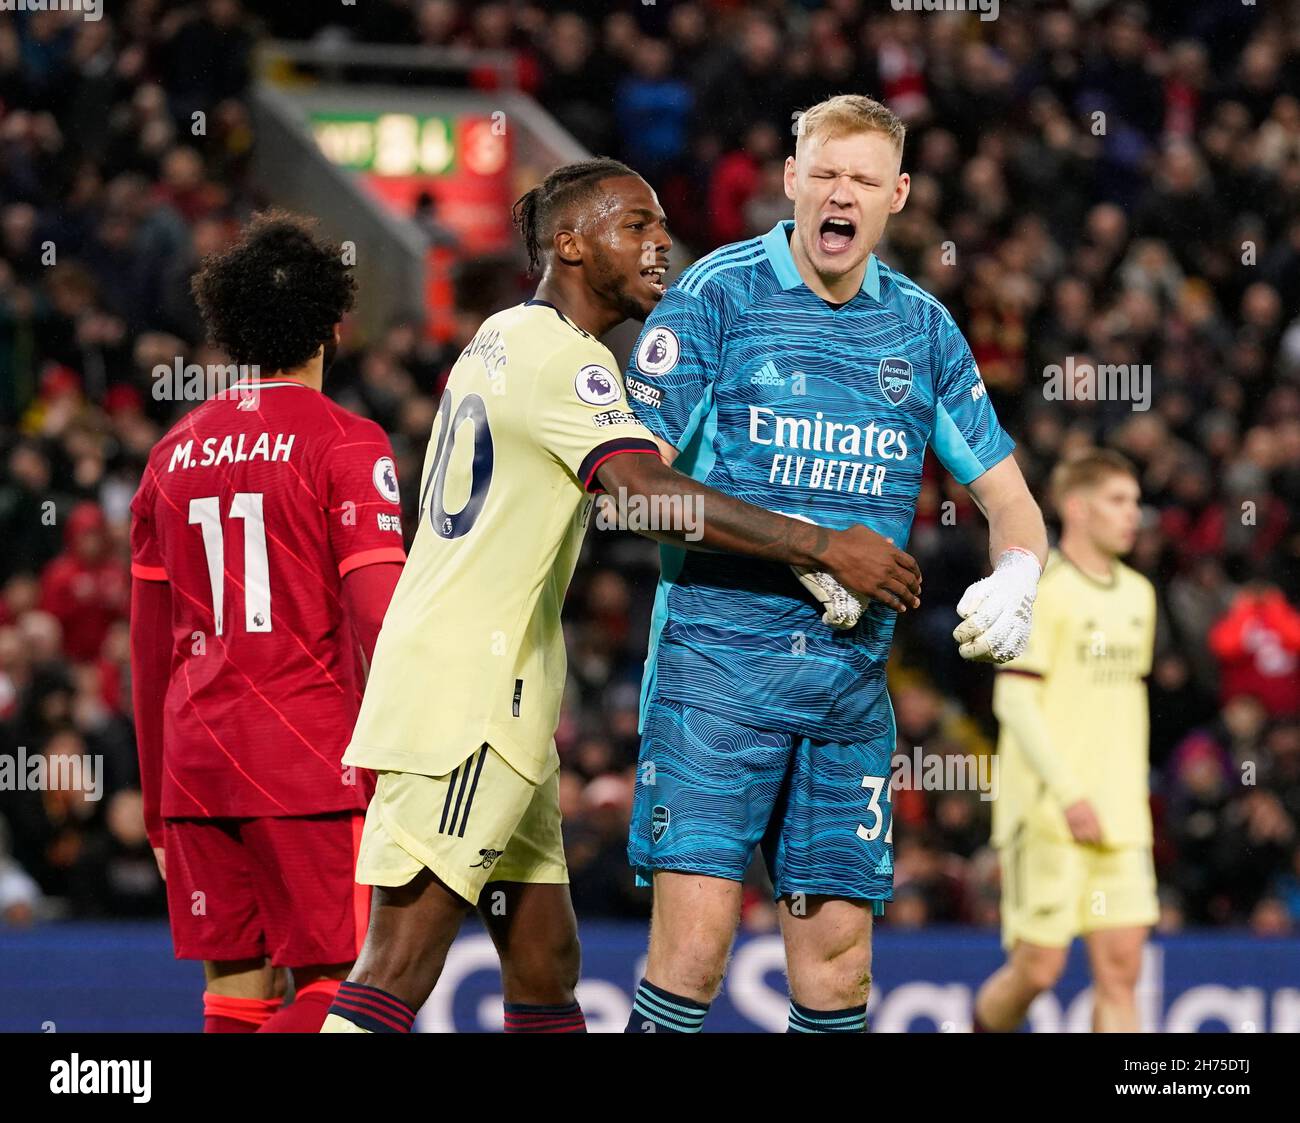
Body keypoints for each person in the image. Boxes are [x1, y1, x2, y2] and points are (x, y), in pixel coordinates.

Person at [321, 157, 918, 1034]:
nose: (660, 245)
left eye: (661, 227)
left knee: (544, 962)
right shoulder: (564, 360)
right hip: (467, 696)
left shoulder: (501, 336)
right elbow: (645, 495)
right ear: (570, 243)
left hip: (503, 687)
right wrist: (822, 544)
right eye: (634, 226)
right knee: (398, 962)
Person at [620, 94, 1048, 1034]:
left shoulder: (925, 330)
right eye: (823, 173)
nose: (838, 194)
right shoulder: (715, 297)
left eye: (861, 178)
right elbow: (629, 486)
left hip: (850, 695)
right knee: (691, 955)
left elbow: (1014, 503)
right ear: (791, 181)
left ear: (895, 196)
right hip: (714, 677)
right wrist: (805, 549)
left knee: (840, 970)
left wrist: (1019, 573)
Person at [129, 212, 407, 1032]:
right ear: (333, 325)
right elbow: (378, 616)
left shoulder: (169, 452)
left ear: (231, 333)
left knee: (238, 1000)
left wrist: (155, 807)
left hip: (194, 766)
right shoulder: (348, 442)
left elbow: (148, 653)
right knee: (346, 994)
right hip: (310, 765)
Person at [974, 449, 1158, 1032]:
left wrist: (1123, 797)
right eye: (1118, 501)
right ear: (1076, 507)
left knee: (1121, 971)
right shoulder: (1044, 592)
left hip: (1122, 818)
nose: (1134, 515)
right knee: (1038, 971)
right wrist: (1069, 792)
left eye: (1135, 501)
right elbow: (1014, 700)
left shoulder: (1140, 596)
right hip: (1051, 813)